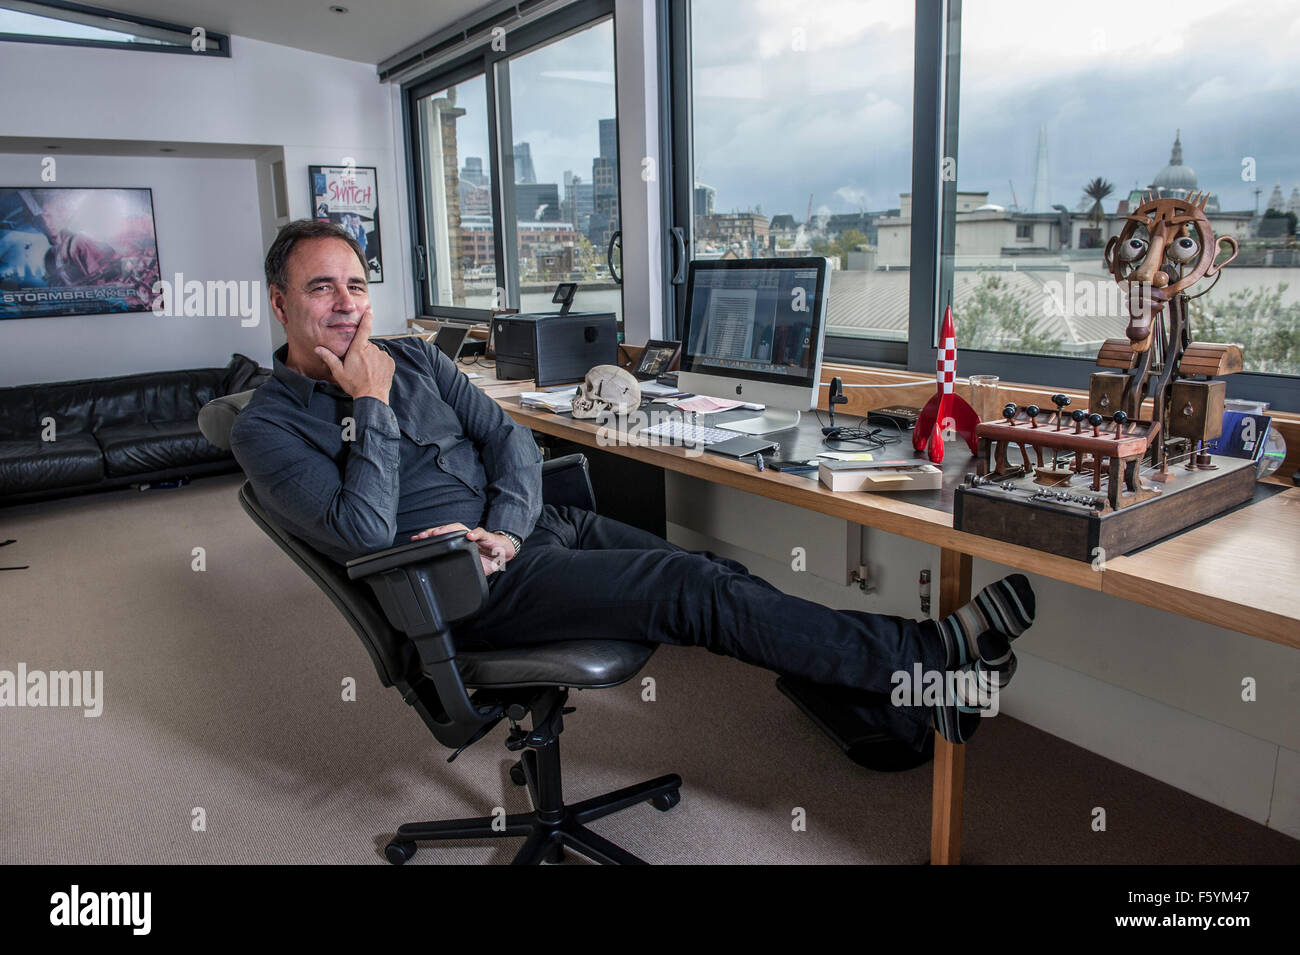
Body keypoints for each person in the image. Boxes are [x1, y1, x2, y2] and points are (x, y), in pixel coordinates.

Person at [231, 220, 1036, 751]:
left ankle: (883, 709)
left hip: (522, 534)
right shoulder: (265, 427)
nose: (346, 306)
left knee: (719, 577)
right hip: (460, 583)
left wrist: (511, 525)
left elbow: (508, 438)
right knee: (691, 583)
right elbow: (367, 532)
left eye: (356, 286)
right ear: (279, 304)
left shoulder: (415, 358)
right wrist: (368, 402)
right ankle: (927, 657)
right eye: (320, 289)